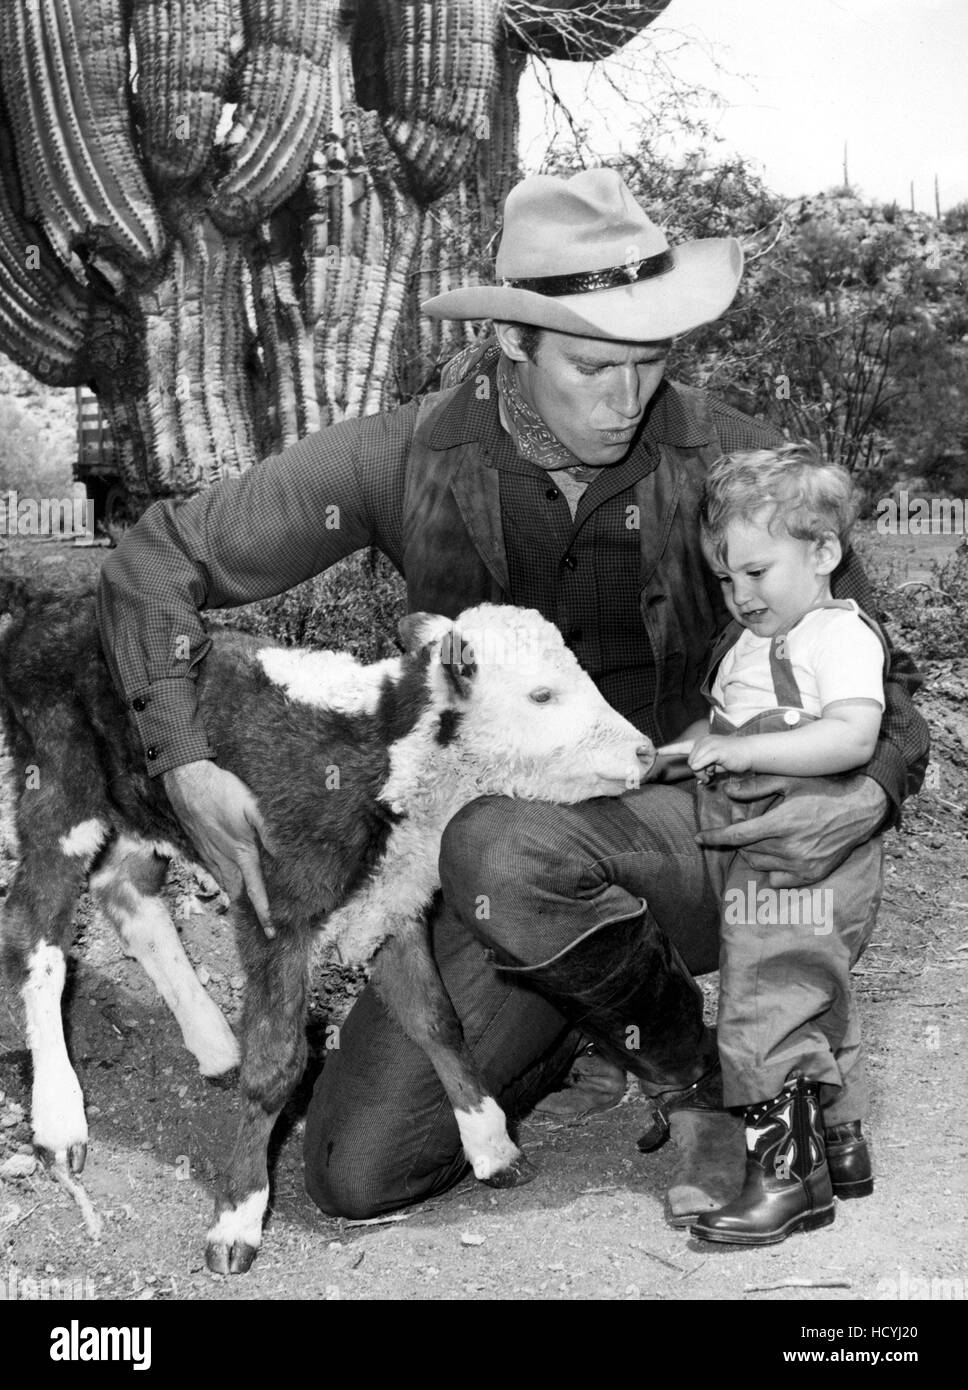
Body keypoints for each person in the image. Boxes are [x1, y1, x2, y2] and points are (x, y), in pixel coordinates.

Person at [96, 167, 929, 1222]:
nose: (625, 400)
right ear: (511, 344)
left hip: (714, 842)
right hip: (510, 879)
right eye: (590, 367)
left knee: (497, 844)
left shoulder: (732, 460)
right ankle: (595, 1012)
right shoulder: (402, 456)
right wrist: (184, 760)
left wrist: (860, 798)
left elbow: (886, 691)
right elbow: (158, 557)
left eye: (649, 363)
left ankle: (695, 1081)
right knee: (358, 1173)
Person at [655, 444, 887, 1243]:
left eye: (757, 572)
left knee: (762, 998)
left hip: (807, 848)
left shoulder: (836, 634)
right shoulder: (748, 648)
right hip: (752, 847)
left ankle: (787, 1179)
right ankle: (841, 1142)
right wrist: (679, 750)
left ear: (823, 553)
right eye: (726, 578)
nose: (740, 594)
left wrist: (750, 751)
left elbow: (853, 737)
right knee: (811, 990)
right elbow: (719, 729)